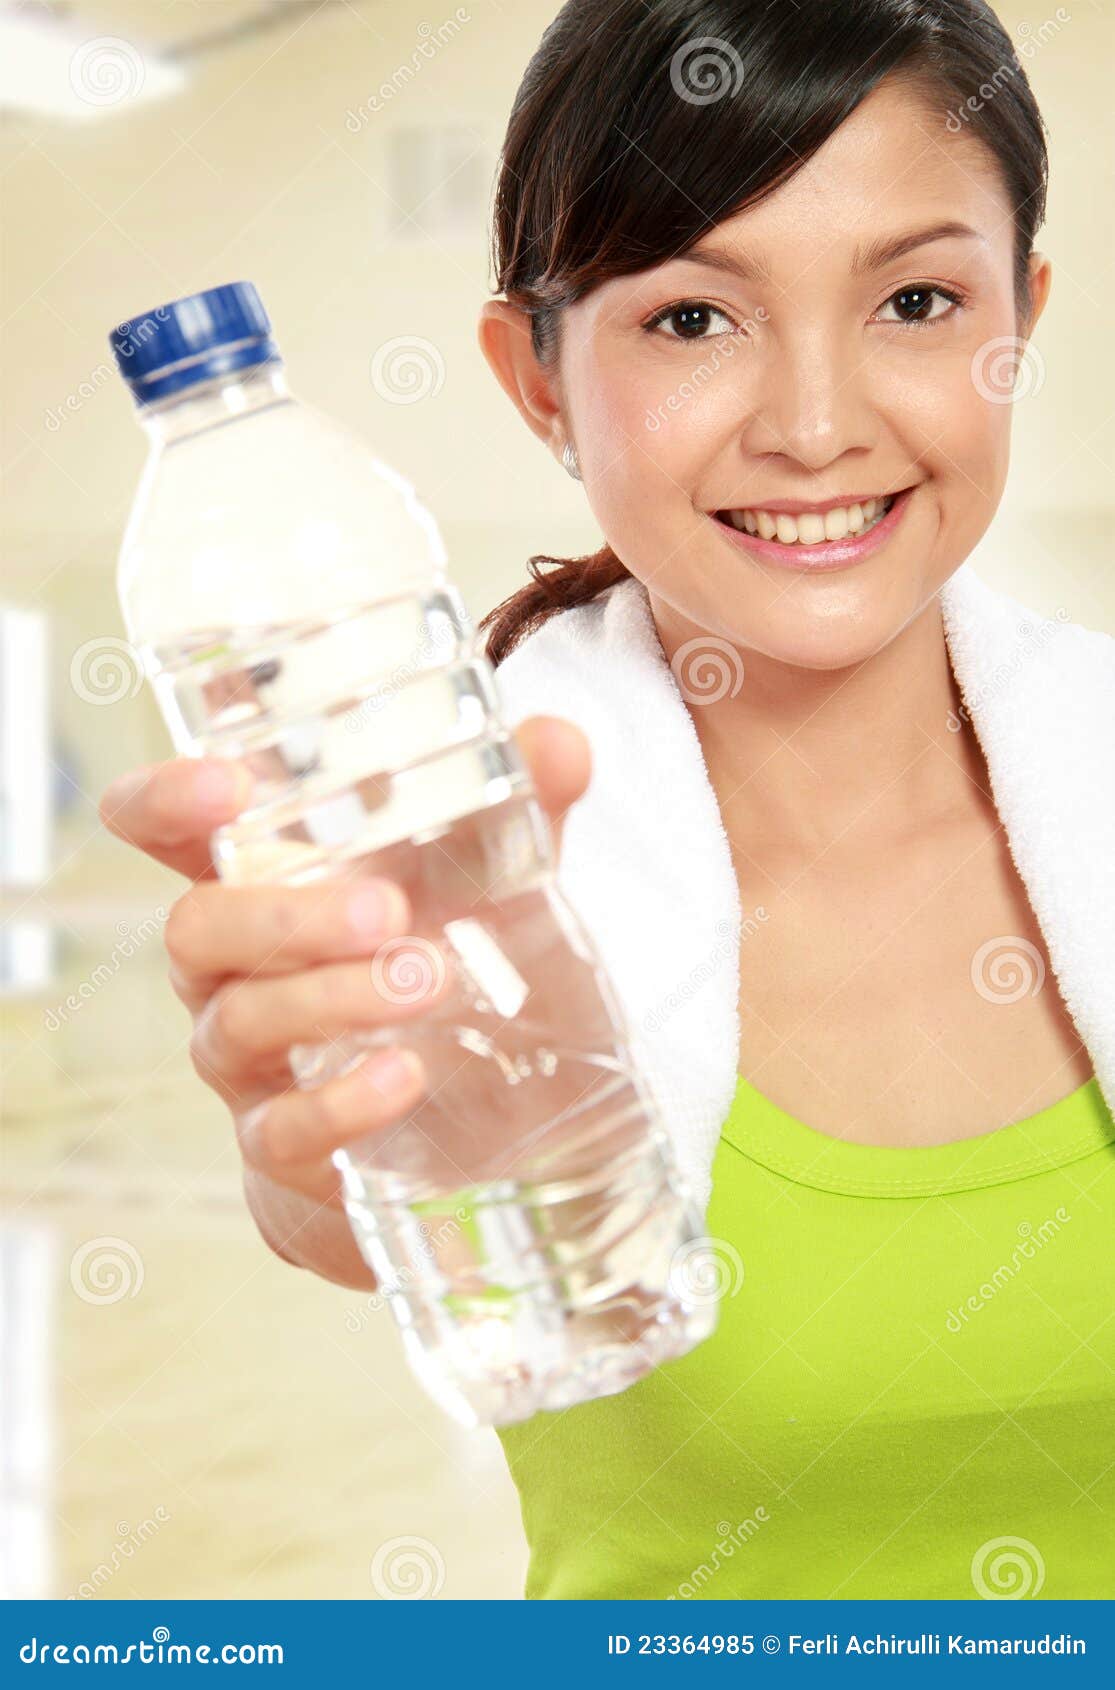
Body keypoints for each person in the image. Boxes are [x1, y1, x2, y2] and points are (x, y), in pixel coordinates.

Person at [101, 0, 1114, 1599]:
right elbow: (363, 1190)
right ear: (537, 378)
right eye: (692, 320)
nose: (813, 424)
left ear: (1019, 319)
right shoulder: (485, 879)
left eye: (916, 299)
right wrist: (334, 1167)